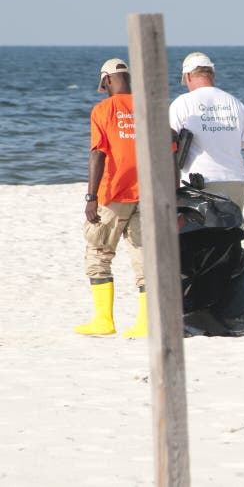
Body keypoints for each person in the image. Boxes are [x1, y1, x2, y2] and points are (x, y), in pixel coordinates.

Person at [75, 58, 147, 338]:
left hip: (114, 193)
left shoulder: (103, 109)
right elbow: (171, 149)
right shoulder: (149, 107)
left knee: (98, 254)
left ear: (106, 81)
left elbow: (98, 153)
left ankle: (104, 321)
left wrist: (91, 196)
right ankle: (145, 323)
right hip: (148, 193)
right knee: (143, 258)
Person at [169, 52, 244, 214]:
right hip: (236, 183)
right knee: (230, 235)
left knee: (198, 238)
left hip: (200, 185)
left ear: (188, 76)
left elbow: (168, 143)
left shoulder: (182, 103)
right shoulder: (235, 103)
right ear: (212, 74)